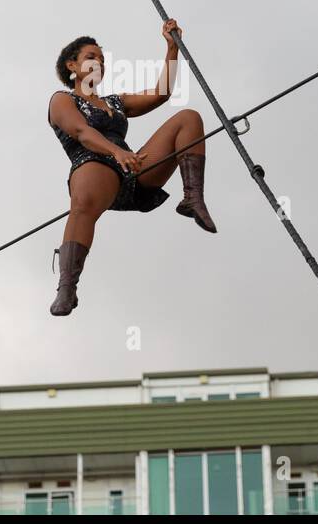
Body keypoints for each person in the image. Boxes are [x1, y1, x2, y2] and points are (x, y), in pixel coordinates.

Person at [46, 19, 217, 316]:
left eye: (102, 59)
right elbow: (82, 133)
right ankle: (67, 287)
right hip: (95, 168)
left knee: (188, 118)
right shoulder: (62, 100)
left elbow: (161, 93)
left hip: (132, 171)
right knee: (84, 202)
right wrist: (115, 152)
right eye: (91, 57)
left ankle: (193, 198)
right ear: (72, 66)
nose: (99, 62)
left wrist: (171, 47)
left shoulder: (115, 102)